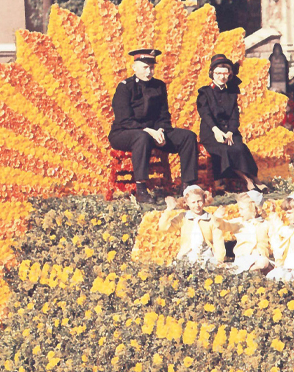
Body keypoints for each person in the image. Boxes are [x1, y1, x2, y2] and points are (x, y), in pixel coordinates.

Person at [109, 47, 199, 202]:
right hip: (124, 133)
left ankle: (188, 186)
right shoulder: (124, 87)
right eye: (145, 68)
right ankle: (142, 190)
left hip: (153, 132)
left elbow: (164, 115)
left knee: (188, 137)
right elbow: (124, 119)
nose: (148, 72)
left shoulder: (159, 86)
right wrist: (149, 131)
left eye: (151, 68)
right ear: (134, 67)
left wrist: (161, 131)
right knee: (141, 137)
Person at [197, 54, 259, 191]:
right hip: (211, 132)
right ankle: (247, 180)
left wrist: (230, 132)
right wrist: (217, 131)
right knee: (225, 150)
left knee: (240, 148)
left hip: (230, 131)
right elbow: (205, 114)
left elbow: (234, 116)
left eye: (225, 73)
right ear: (212, 73)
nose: (222, 77)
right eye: (219, 73)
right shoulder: (204, 92)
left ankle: (255, 179)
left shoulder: (231, 93)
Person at [159, 185, 225, 266]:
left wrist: (219, 260)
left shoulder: (211, 219)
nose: (197, 205)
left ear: (204, 200)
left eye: (199, 201)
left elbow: (218, 242)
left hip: (206, 258)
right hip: (186, 257)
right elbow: (163, 227)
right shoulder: (183, 217)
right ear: (186, 203)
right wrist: (169, 209)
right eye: (193, 202)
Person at [217, 191, 272, 274]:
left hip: (258, 259)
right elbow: (224, 225)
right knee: (259, 264)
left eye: (242, 209)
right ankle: (242, 270)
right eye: (239, 209)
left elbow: (275, 242)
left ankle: (241, 270)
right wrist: (218, 218)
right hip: (243, 258)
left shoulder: (265, 224)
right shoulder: (239, 223)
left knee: (264, 262)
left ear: (254, 208)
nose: (239, 212)